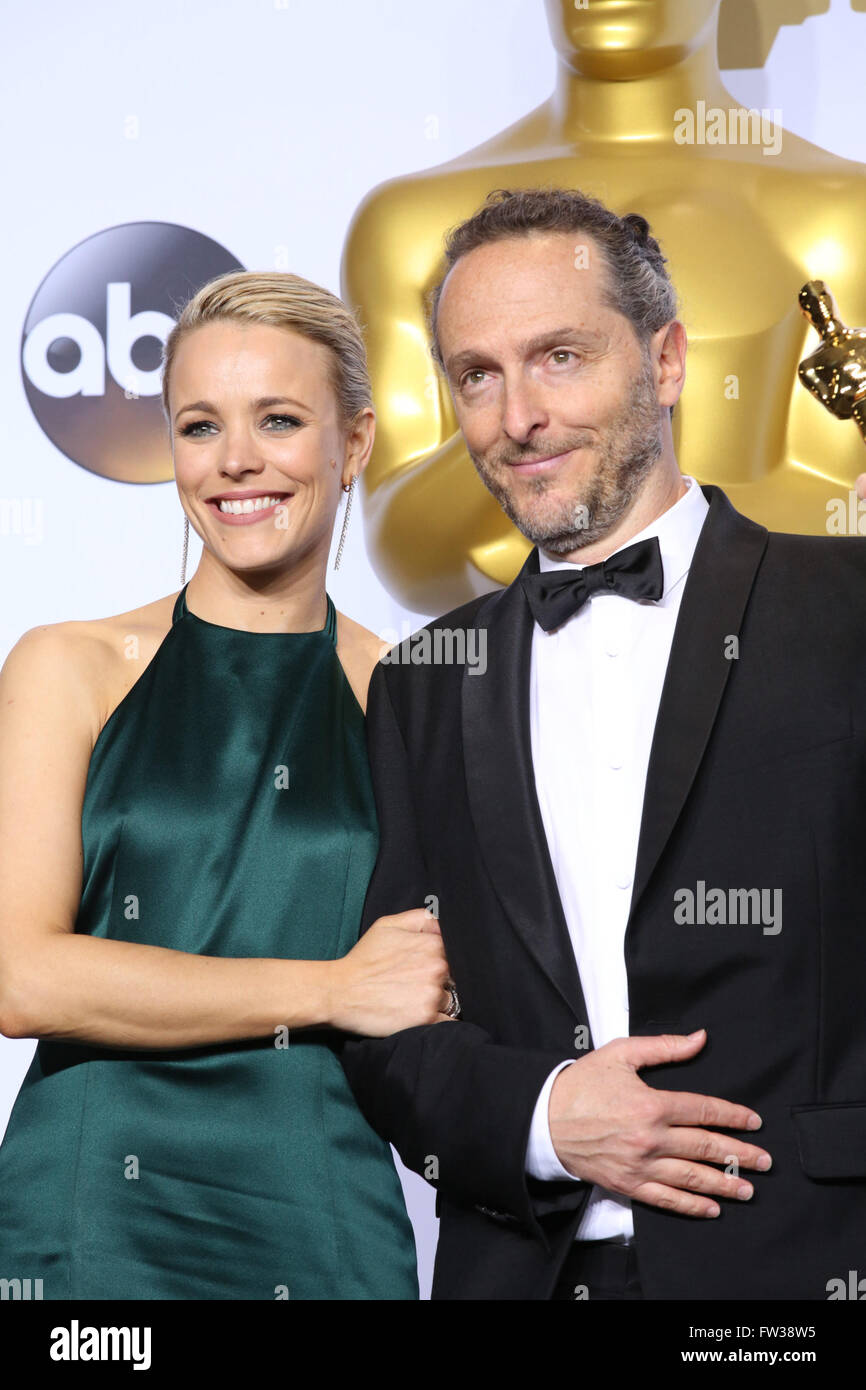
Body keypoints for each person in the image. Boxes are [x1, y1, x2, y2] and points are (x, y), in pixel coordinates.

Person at [339, 187, 866, 1300]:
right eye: (476, 374)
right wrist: (545, 1116)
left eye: (559, 356)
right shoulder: (422, 683)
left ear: (665, 361)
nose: (514, 416)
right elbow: (386, 1034)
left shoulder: (846, 608)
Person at [0, 269, 454, 1300]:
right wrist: (334, 988)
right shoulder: (67, 667)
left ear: (353, 443)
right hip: (94, 1223)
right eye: (200, 426)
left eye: (280, 419)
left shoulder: (411, 699)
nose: (236, 460)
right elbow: (23, 979)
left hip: (323, 1216)